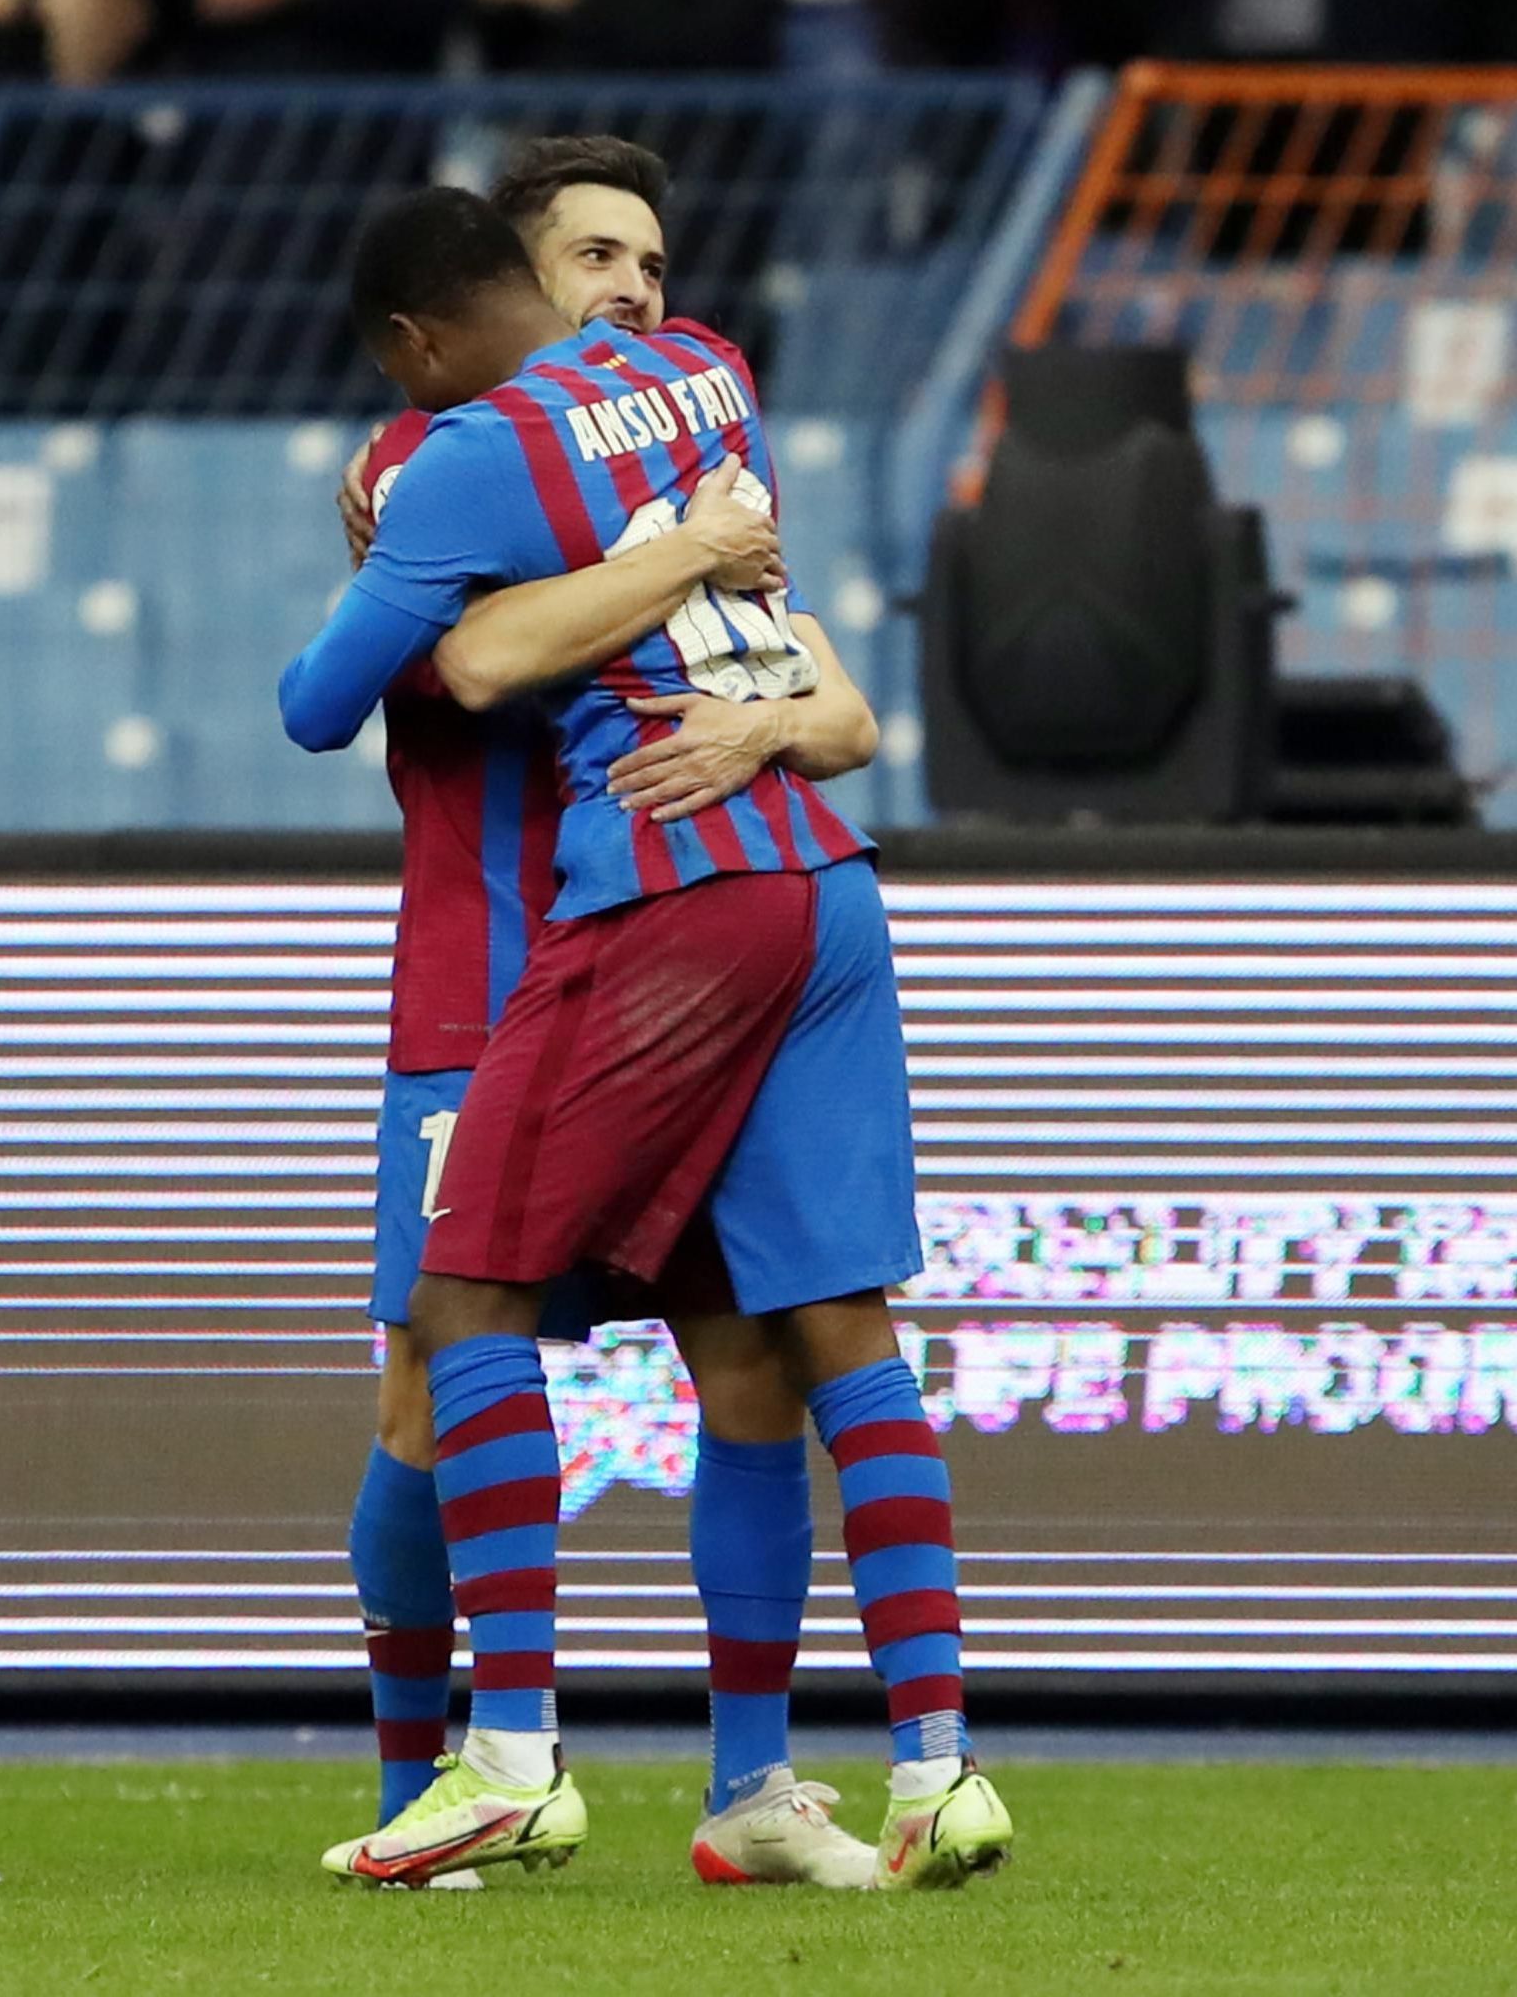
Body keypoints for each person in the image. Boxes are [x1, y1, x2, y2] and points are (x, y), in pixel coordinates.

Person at [279, 186, 1012, 1891]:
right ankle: (423, 1778)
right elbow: (467, 663)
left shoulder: (633, 421)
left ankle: (733, 1780)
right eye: (592, 257)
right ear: (510, 280)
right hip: (503, 970)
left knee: (741, 1354)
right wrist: (688, 556)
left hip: (665, 922)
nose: (631, 286)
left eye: (655, 261)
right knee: (426, 1382)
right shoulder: (467, 455)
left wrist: (757, 715)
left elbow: (839, 708)